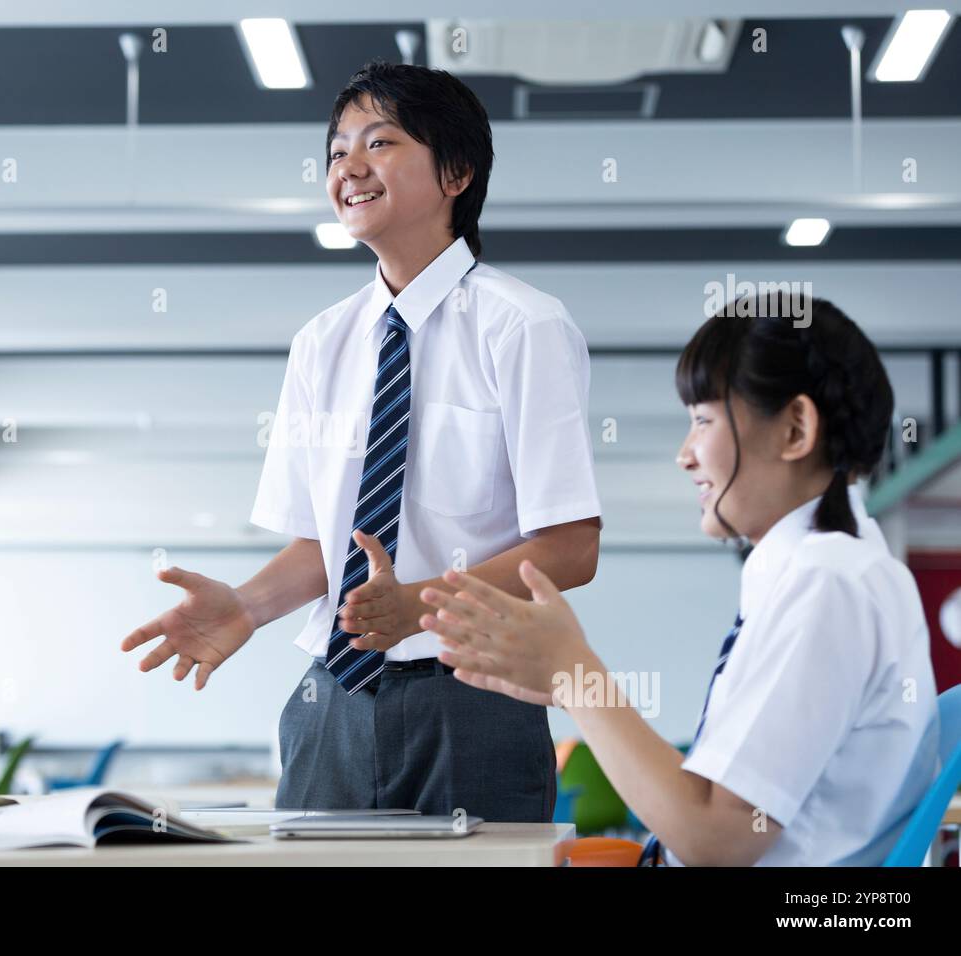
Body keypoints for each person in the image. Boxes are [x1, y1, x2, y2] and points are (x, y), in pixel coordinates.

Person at [122, 61, 601, 820]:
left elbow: (572, 546)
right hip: (329, 699)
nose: (349, 167)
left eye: (379, 143)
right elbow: (325, 548)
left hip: (471, 698)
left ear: (456, 171)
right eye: (337, 151)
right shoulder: (321, 343)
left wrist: (418, 607)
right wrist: (246, 607)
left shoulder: (524, 325)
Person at [424, 299, 939, 863]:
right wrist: (567, 679)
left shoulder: (830, 583)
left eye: (703, 420)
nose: (684, 455)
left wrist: (576, 676)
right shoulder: (838, 571)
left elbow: (716, 837)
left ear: (795, 428)